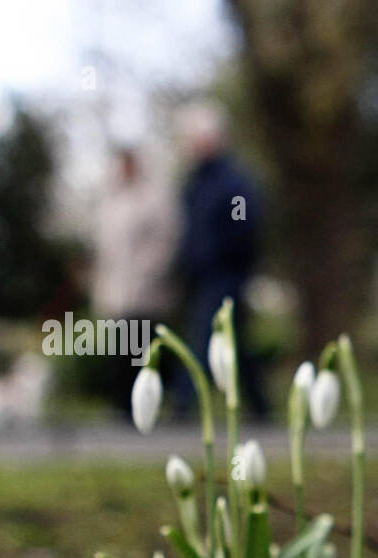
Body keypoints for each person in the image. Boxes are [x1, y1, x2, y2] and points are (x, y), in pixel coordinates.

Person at [174, 102, 267, 418]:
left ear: (214, 139)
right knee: (234, 341)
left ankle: (184, 403)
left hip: (227, 273)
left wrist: (228, 259)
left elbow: (245, 227)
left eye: (196, 138)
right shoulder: (195, 183)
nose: (191, 146)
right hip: (201, 274)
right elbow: (189, 229)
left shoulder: (233, 183)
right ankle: (260, 406)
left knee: (207, 335)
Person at [91, 146, 177, 413]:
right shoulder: (110, 201)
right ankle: (123, 408)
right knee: (120, 350)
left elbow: (166, 241)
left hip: (146, 291)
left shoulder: (155, 198)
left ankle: (154, 406)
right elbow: (104, 250)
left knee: (143, 348)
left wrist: (148, 274)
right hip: (117, 292)